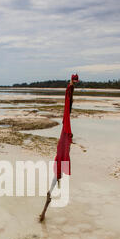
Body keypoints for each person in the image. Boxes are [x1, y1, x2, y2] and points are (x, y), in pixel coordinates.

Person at [39, 73, 79, 222]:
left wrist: (70, 90)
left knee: (57, 175)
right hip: (64, 141)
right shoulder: (64, 140)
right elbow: (67, 107)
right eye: (74, 81)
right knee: (57, 176)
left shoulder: (64, 141)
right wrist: (70, 88)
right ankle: (45, 206)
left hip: (64, 142)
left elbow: (68, 108)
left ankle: (44, 210)